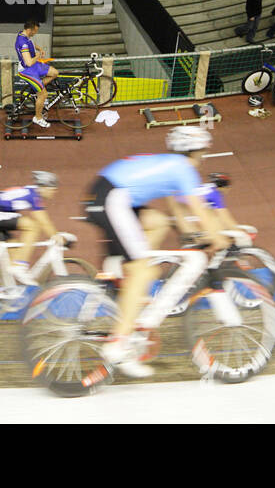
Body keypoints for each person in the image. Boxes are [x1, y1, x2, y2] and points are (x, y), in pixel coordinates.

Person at [84, 126, 230, 378]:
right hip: (113, 198)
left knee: (158, 223)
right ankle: (118, 341)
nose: (204, 156)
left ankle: (124, 279)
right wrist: (218, 238)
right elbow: (199, 208)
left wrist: (193, 234)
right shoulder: (184, 169)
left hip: (109, 194)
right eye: (203, 151)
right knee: (144, 271)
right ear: (195, 151)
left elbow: (177, 214)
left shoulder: (170, 165)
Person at [0, 171, 63, 284]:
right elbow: (43, 221)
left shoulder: (31, 191)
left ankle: (8, 287)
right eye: (53, 189)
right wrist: (56, 236)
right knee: (34, 227)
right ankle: (20, 265)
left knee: (15, 257)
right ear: (44, 187)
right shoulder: (33, 196)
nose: (54, 192)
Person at [15, 19, 58, 129]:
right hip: (27, 70)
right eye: (35, 31)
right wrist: (38, 55)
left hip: (35, 66)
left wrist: (39, 49)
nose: (36, 33)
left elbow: (32, 44)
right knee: (43, 95)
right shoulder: (22, 43)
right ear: (30, 30)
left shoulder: (24, 34)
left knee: (54, 73)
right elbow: (29, 62)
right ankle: (38, 118)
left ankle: (37, 87)